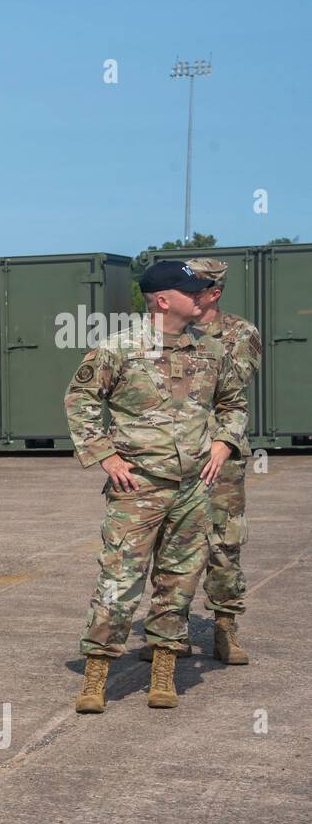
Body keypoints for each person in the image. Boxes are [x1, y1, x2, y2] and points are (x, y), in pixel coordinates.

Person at [66, 260, 248, 713]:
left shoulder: (209, 350)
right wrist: (104, 455)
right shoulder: (119, 349)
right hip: (138, 488)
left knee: (178, 581)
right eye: (193, 290)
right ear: (165, 300)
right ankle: (96, 675)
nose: (203, 295)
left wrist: (225, 442)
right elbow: (80, 399)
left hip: (192, 487)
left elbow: (234, 402)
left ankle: (163, 669)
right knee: (119, 580)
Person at [137, 257, 259, 665]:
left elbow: (232, 389)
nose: (188, 292)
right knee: (173, 546)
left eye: (196, 288)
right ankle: (173, 633)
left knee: (225, 544)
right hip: (173, 457)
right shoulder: (161, 332)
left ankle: (226, 628)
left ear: (213, 292)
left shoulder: (239, 333)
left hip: (219, 457)